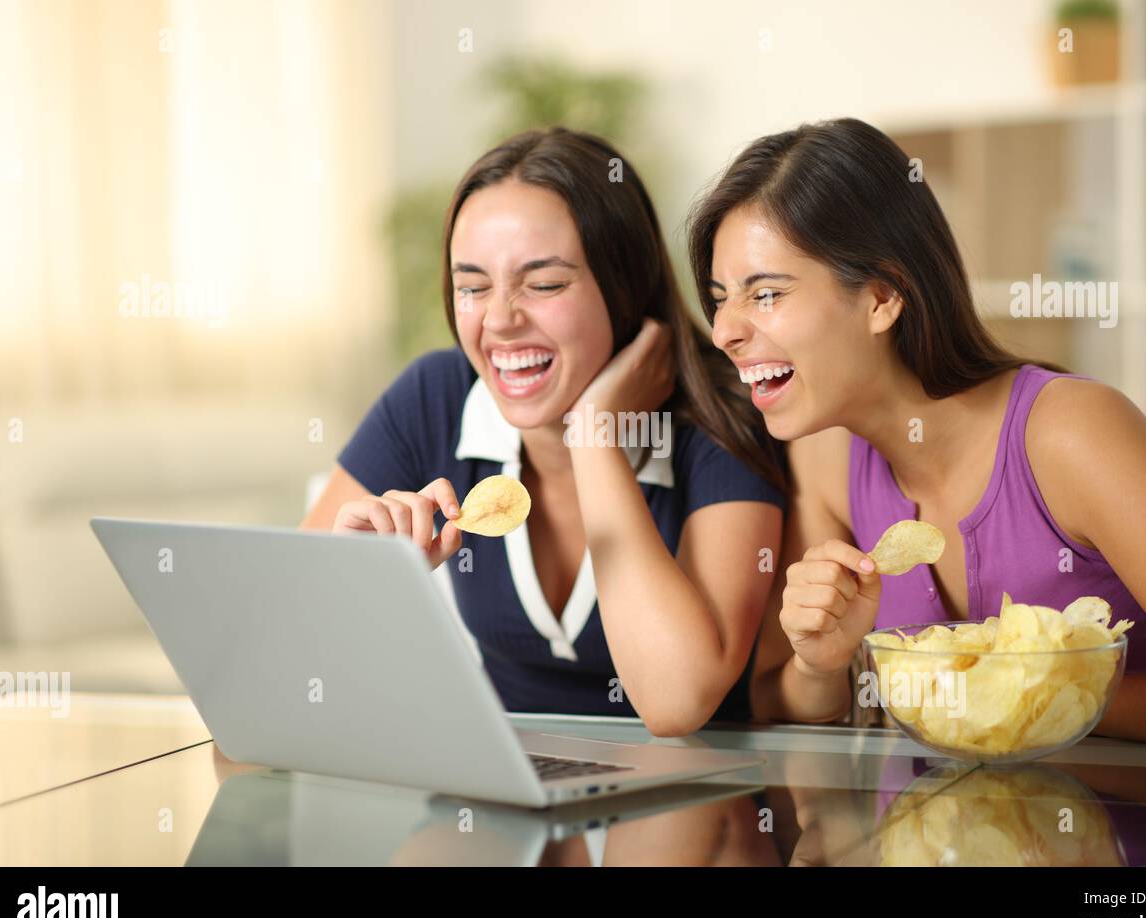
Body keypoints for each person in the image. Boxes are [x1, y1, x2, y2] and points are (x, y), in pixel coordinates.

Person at [688, 117, 1146, 751]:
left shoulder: (1072, 434)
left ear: (881, 296)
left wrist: (1011, 687)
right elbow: (777, 698)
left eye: (766, 294)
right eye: (720, 299)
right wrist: (820, 664)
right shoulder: (824, 456)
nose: (724, 332)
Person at [302, 128, 785, 736]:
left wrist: (595, 439)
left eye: (545, 283)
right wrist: (366, 582)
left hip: (699, 807)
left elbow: (677, 700)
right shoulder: (435, 397)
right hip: (513, 803)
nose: (500, 320)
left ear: (624, 287)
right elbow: (282, 653)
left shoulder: (722, 417)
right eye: (472, 287)